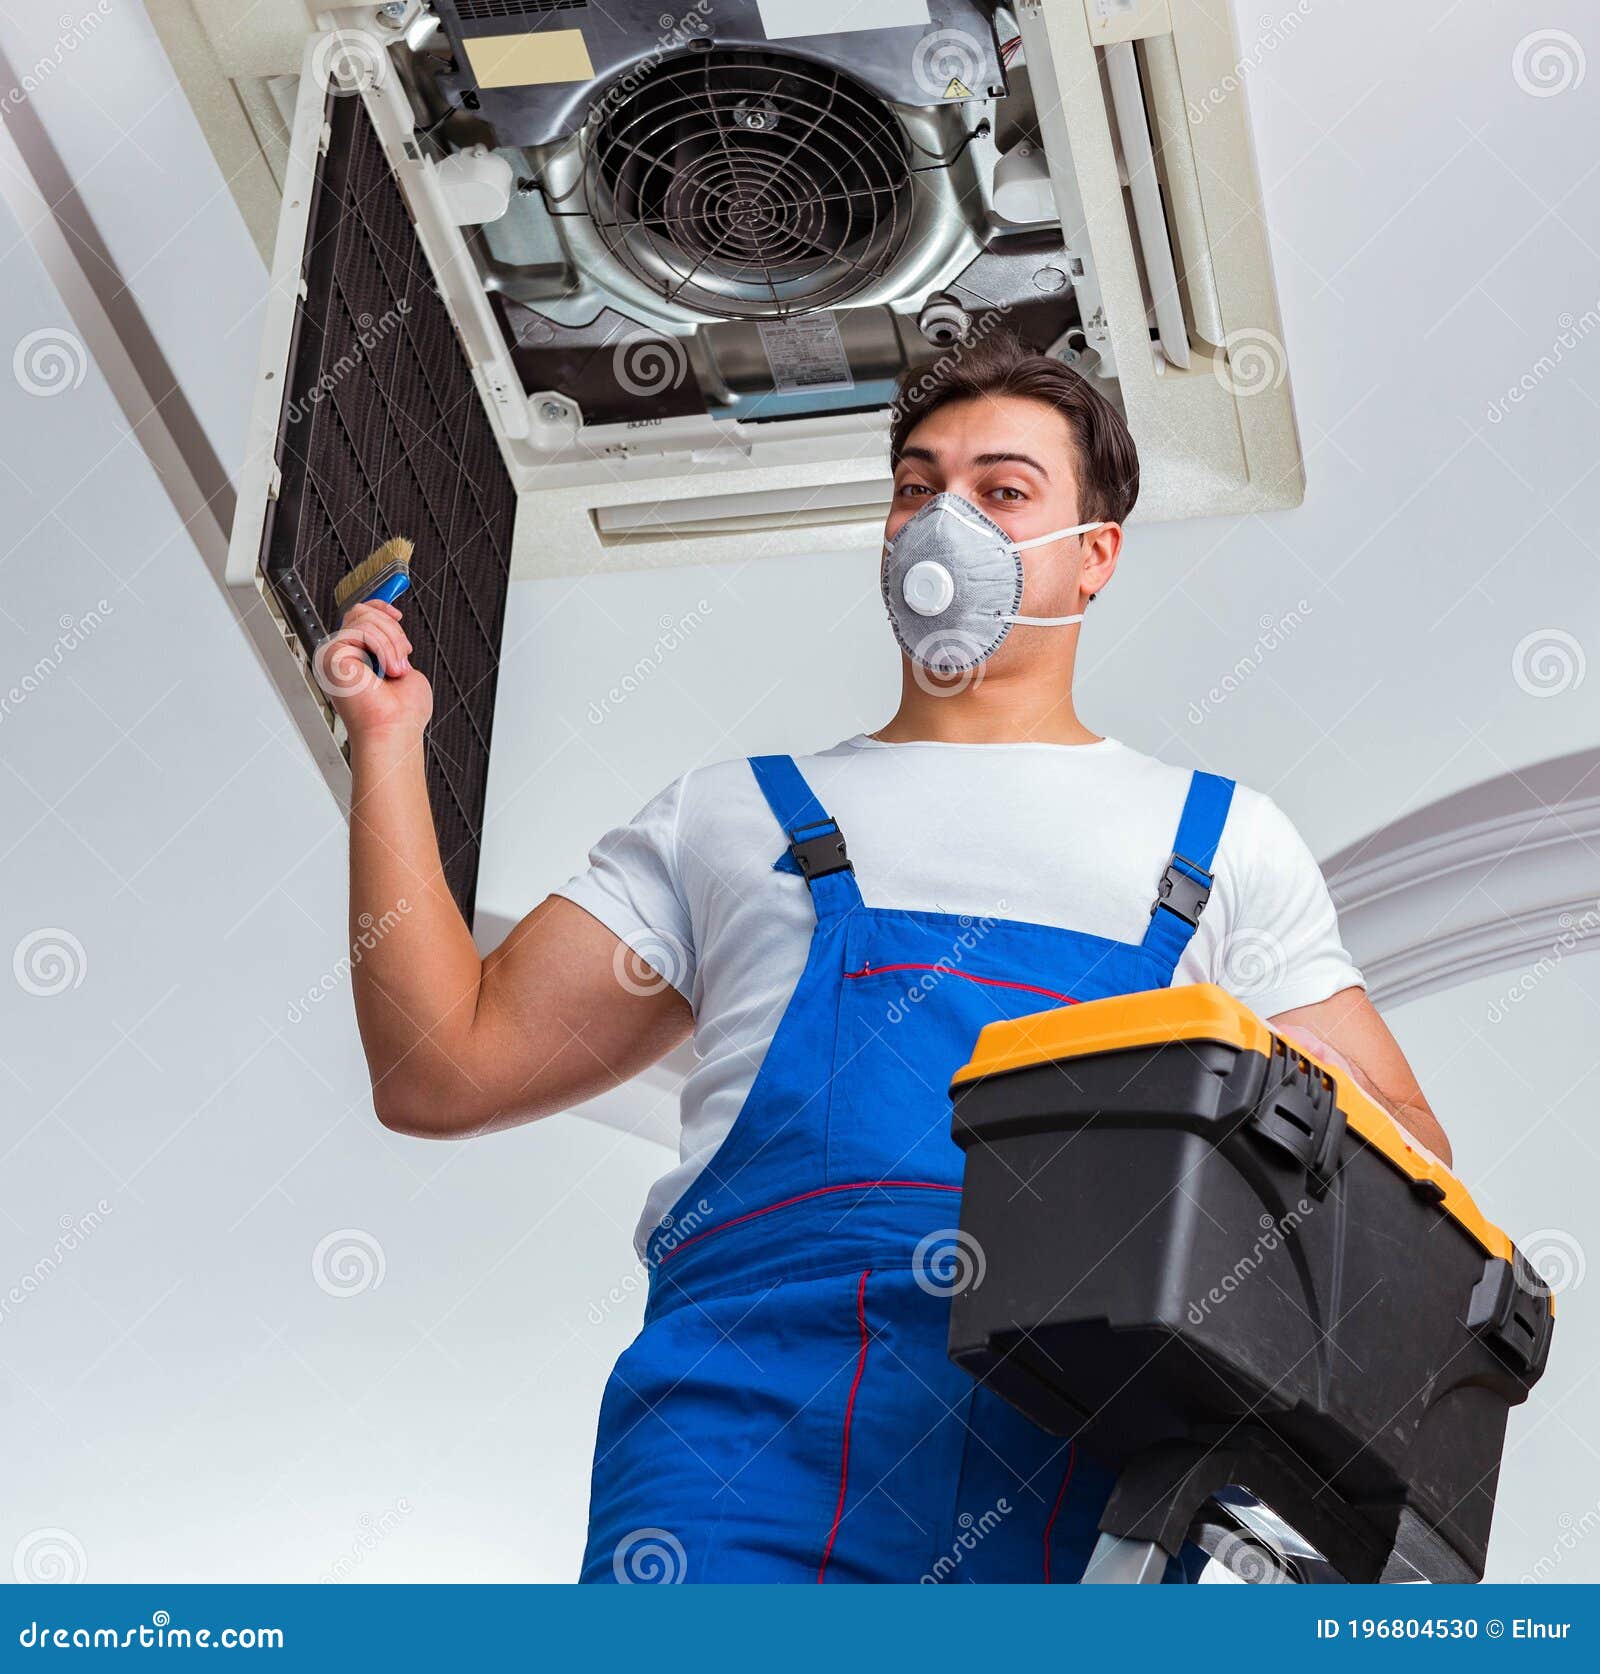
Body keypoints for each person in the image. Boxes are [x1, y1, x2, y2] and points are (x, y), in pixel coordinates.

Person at [328, 328, 1450, 1585]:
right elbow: (441, 1069)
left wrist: (1201, 1097)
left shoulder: (1220, 843)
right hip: (741, 1449)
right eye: (918, 488)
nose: (943, 521)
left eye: (1001, 490)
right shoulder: (733, 817)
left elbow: (1409, 1150)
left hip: (1086, 1470)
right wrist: (388, 742)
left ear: (1094, 555)